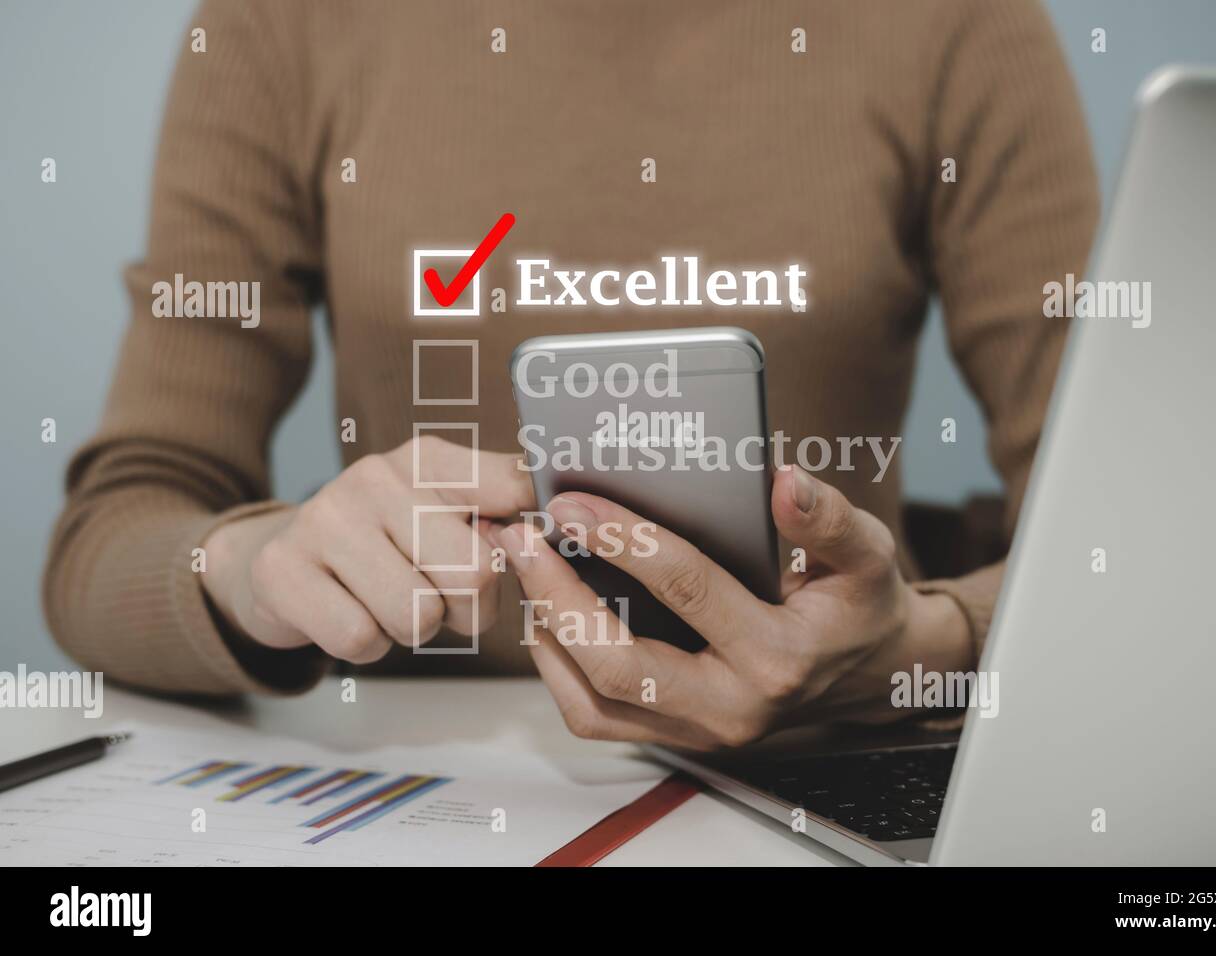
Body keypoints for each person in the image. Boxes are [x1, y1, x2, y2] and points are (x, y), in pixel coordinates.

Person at [43, 0, 1097, 749]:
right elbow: (111, 535)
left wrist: (927, 641)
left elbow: (1135, 535)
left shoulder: (959, 22)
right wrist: (252, 565)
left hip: (836, 760)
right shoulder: (282, 22)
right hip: (430, 792)